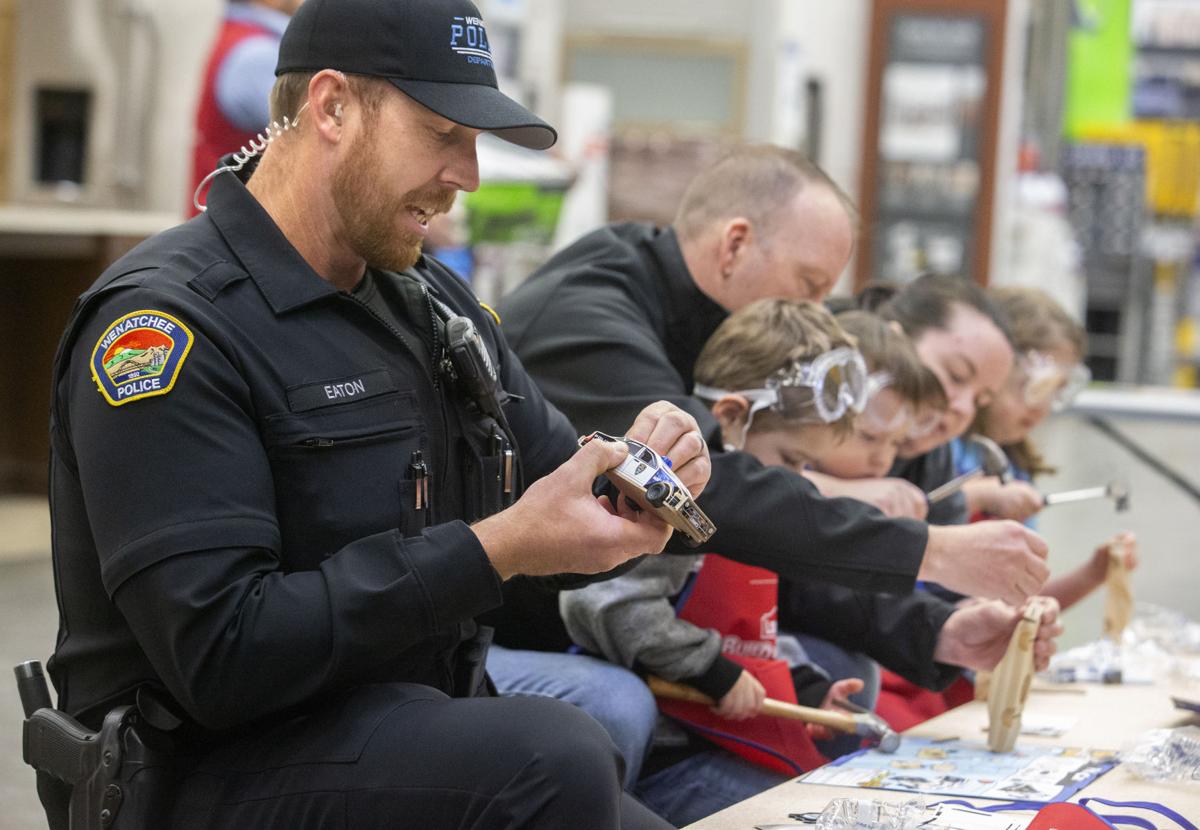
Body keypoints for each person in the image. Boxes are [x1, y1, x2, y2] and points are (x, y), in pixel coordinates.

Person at [45, 1, 713, 828]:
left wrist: (635, 483)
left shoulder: (428, 303)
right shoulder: (165, 327)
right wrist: (497, 547)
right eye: (442, 134)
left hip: (400, 727)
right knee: (554, 755)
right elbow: (221, 659)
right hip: (208, 768)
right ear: (331, 107)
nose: (468, 174)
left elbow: (553, 500)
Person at [495, 144, 1051, 616]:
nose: (816, 313)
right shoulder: (590, 315)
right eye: (809, 284)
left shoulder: (681, 304)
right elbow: (706, 489)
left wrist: (936, 634)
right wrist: (933, 551)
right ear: (735, 244)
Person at [954, 286, 1139, 608]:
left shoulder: (1015, 470)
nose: (1042, 408)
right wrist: (978, 496)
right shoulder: (938, 452)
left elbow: (1019, 606)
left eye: (1056, 392)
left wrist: (1094, 574)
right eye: (1036, 387)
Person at [190, 0, 304, 215]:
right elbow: (312, 135)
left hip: (226, 221)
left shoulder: (240, 38)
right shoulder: (257, 55)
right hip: (238, 223)